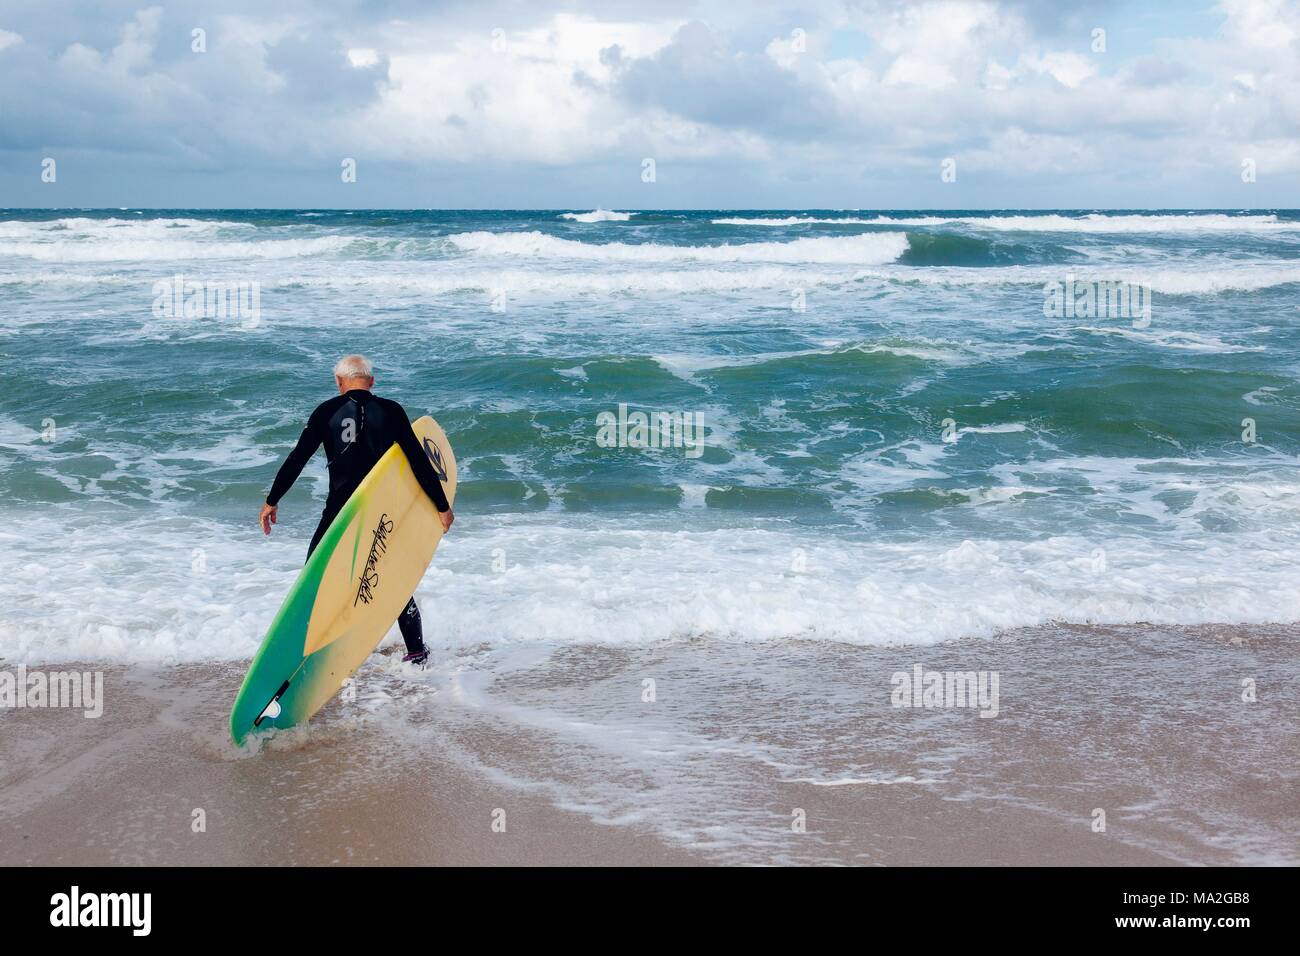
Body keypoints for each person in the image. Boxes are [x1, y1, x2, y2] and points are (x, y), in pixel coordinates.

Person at [258, 354, 454, 665]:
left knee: (315, 577)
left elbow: (298, 458)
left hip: (339, 512)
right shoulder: (391, 411)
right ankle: (416, 653)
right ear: (372, 382)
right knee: (393, 578)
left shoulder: (326, 412)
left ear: (339, 383)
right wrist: (442, 506)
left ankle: (305, 653)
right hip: (380, 513)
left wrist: (273, 500)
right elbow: (419, 462)